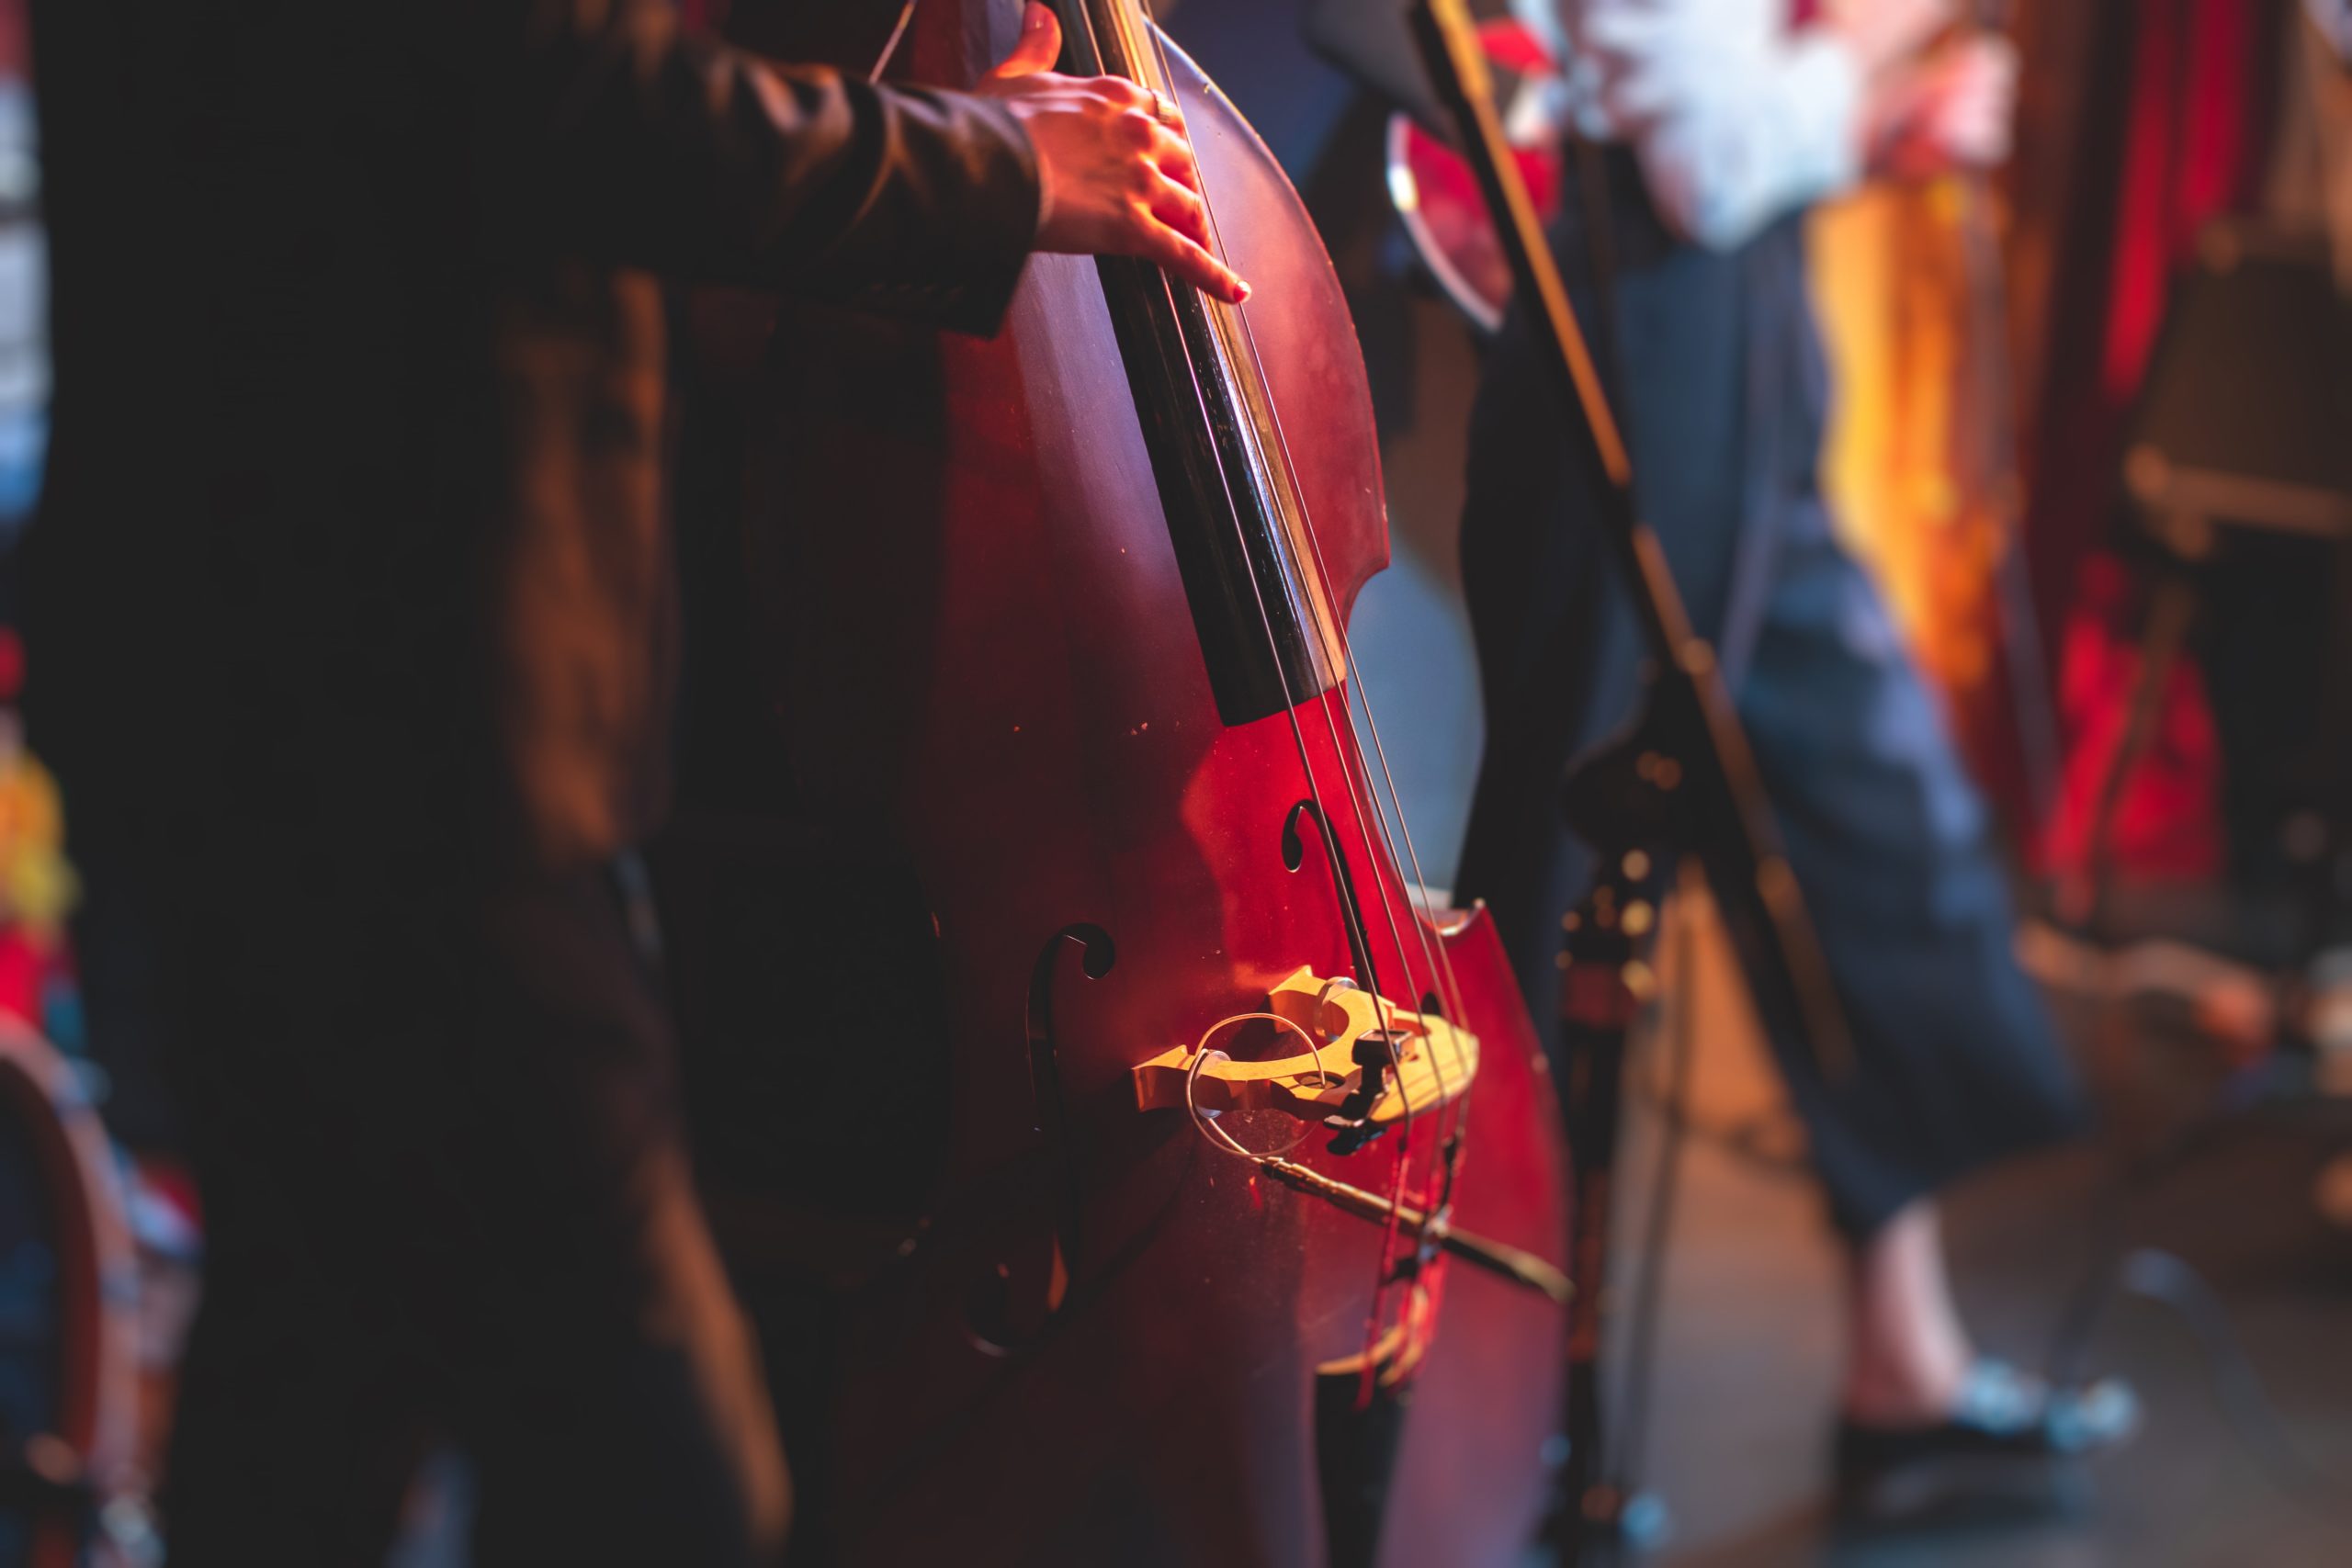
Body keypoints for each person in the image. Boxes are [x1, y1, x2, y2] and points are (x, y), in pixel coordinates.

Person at [21, 0, 1238, 1562]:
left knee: (314, 1411)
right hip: (403, 708)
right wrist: (992, 164)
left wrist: (942, 141)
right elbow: (570, 109)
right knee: (657, 1477)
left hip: (265, 674)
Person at [1454, 0, 2135, 1516]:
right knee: (1553, 905)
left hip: (1739, 318)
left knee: (1867, 838)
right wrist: (1893, 30)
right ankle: (1464, 1422)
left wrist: (1867, 116)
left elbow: (1747, 134)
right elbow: (1698, 147)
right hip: (1633, 336)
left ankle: (1904, 1362)